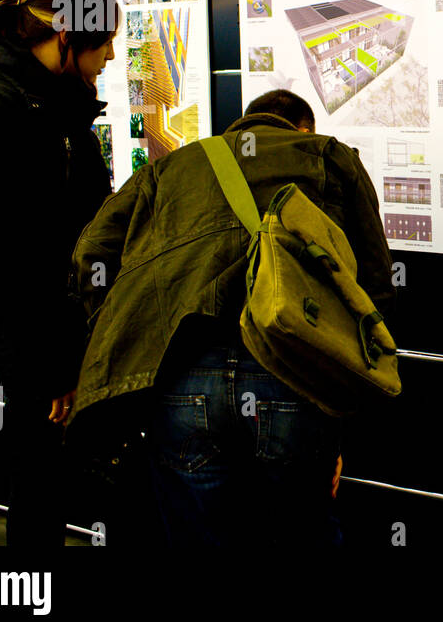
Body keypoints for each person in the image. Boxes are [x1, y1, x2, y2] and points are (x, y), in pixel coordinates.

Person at [69, 90, 395, 546]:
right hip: (291, 376)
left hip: (184, 379)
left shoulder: (170, 167)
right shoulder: (329, 157)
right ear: (304, 129)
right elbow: (375, 286)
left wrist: (125, 326)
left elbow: (91, 252)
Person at [0, 0, 117, 546]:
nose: (113, 55)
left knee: (65, 485)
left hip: (77, 335)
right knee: (39, 493)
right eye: (104, 43)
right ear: (68, 38)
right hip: (35, 352)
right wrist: (49, 370)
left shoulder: (63, 112)